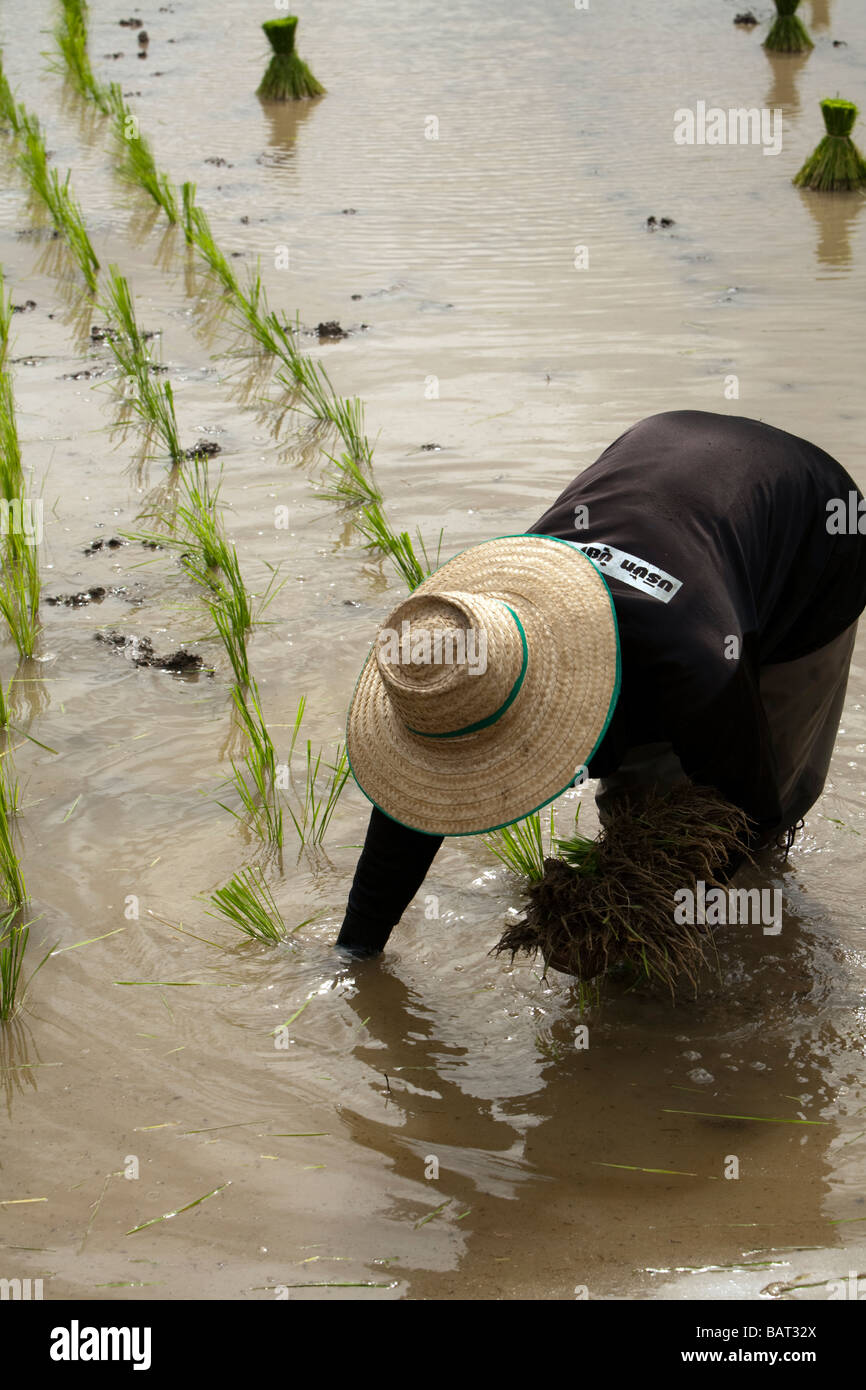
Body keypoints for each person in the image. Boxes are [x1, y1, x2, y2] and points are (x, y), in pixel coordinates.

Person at [337, 410, 866, 963]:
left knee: (761, 802)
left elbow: (742, 808)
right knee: (640, 806)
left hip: (818, 534)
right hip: (672, 468)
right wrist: (357, 951)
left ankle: (763, 953)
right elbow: (412, 816)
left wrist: (650, 919)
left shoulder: (694, 668)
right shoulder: (472, 643)